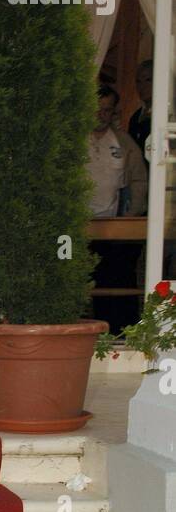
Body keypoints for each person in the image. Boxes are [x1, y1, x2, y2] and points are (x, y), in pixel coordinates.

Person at [87, 84, 148, 335]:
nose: (101, 114)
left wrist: (131, 216)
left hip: (112, 227)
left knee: (115, 280)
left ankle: (119, 333)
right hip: (74, 230)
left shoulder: (123, 142)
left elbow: (138, 180)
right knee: (68, 271)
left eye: (107, 110)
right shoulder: (69, 140)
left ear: (113, 112)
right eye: (97, 109)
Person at [128, 59, 152, 164]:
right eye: (138, 81)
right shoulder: (135, 117)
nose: (142, 86)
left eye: (148, 80)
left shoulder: (168, 113)